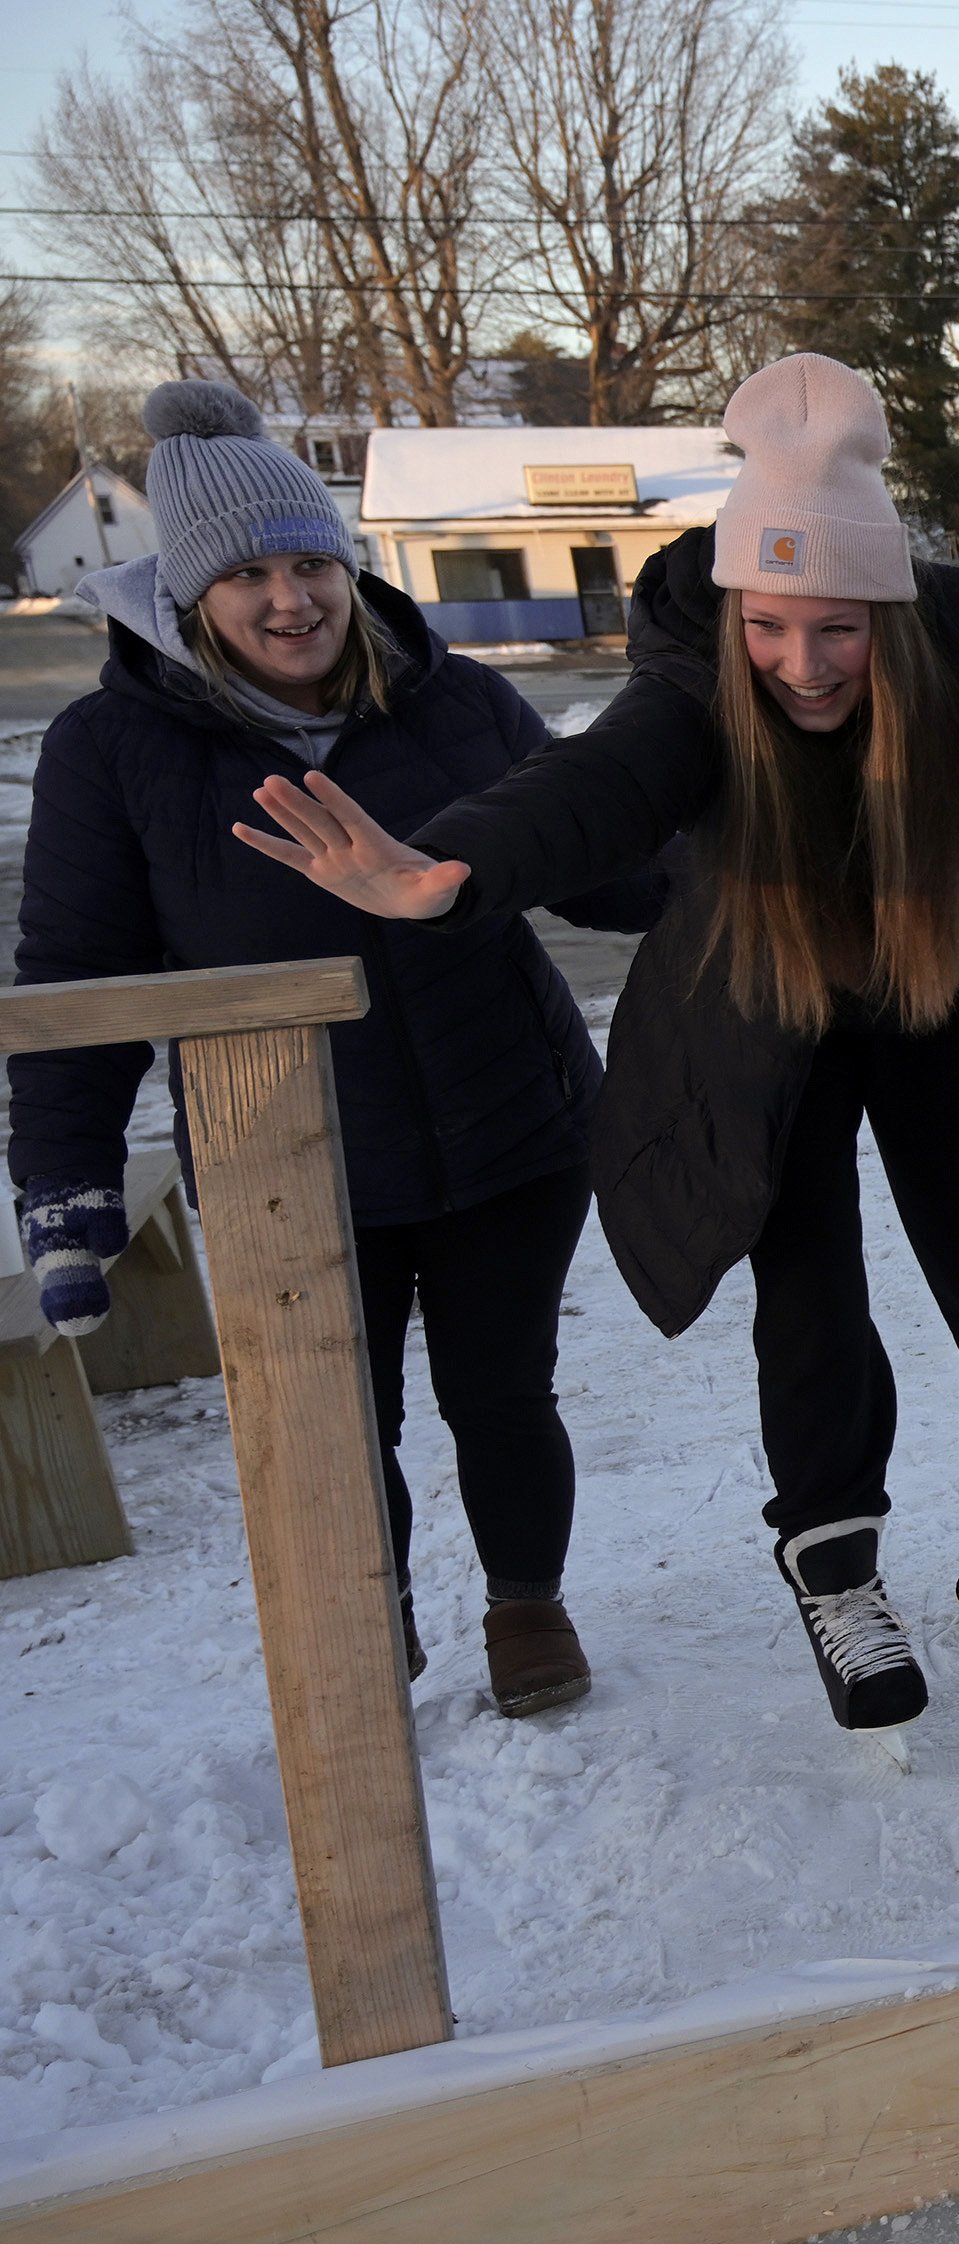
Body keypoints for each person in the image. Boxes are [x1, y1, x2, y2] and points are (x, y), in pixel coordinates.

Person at [237, 354, 959, 1735]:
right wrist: (453, 873)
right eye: (771, 627)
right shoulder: (689, 659)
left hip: (932, 968)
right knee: (808, 1291)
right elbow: (598, 780)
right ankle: (833, 1560)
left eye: (838, 630)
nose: (801, 664)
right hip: (765, 1005)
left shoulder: (954, 611)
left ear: (890, 612)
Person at [12, 380, 658, 1720]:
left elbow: (596, 868)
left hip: (510, 1122)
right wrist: (65, 1182)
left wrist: (759, 873)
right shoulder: (111, 749)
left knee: (502, 1394)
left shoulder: (457, 704)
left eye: (312, 563)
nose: (290, 600)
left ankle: (526, 1606)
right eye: (247, 574)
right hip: (285, 1160)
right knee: (335, 1428)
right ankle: (377, 1625)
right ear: (189, 594)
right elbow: (81, 977)